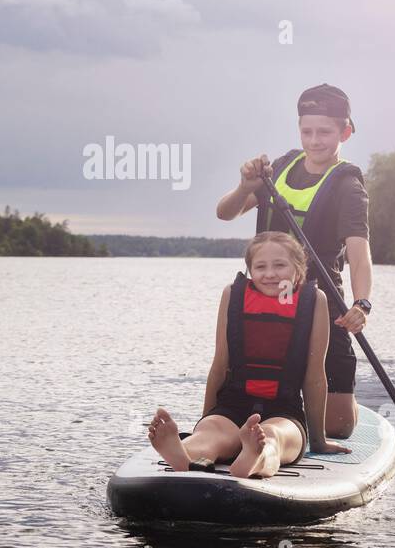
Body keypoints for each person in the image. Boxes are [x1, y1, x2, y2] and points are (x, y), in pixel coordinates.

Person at [215, 83, 372, 439]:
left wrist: (362, 304)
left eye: (325, 132)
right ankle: (269, 417)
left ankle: (302, 412)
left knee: (339, 428)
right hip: (263, 300)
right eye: (307, 131)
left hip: (319, 304)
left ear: (345, 131)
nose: (315, 141)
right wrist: (245, 186)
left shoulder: (348, 187)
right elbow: (225, 213)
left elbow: (360, 256)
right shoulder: (282, 167)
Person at [148, 232, 351, 479]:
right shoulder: (233, 295)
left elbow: (315, 376)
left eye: (280, 265)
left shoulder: (314, 300)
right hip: (232, 405)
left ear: (298, 268)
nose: (270, 274)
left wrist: (318, 440)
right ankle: (184, 452)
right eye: (260, 266)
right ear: (250, 270)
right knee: (211, 432)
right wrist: (205, 418)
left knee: (273, 436)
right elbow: (219, 366)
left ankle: (254, 456)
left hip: (283, 410)